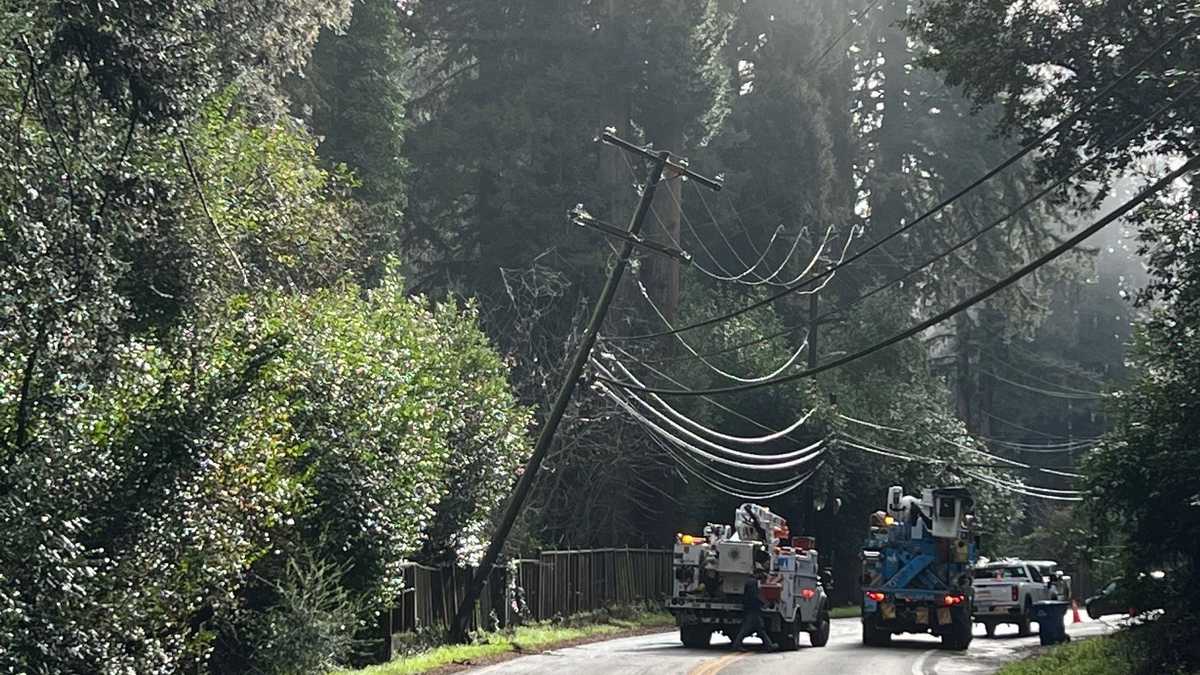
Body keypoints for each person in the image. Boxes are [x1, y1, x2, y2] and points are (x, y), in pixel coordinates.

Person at [732, 570, 776, 651]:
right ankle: (736, 645)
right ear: (757, 574)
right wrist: (764, 603)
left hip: (752, 608)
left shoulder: (751, 581)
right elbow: (754, 596)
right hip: (752, 609)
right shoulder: (752, 582)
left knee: (760, 628)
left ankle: (769, 645)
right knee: (746, 629)